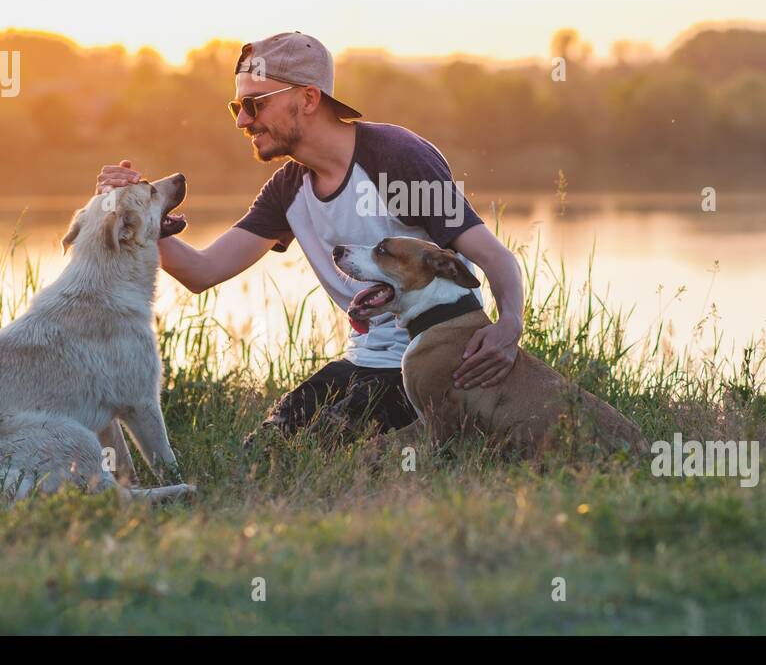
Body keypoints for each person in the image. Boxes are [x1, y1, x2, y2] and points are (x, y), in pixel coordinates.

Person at [96, 31, 523, 444]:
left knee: (326, 448)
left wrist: (509, 328)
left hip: (430, 367)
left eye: (253, 104)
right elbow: (201, 272)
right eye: (236, 107)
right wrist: (133, 214)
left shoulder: (395, 159)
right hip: (365, 362)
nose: (244, 120)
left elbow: (495, 258)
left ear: (308, 98)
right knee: (265, 452)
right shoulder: (289, 189)